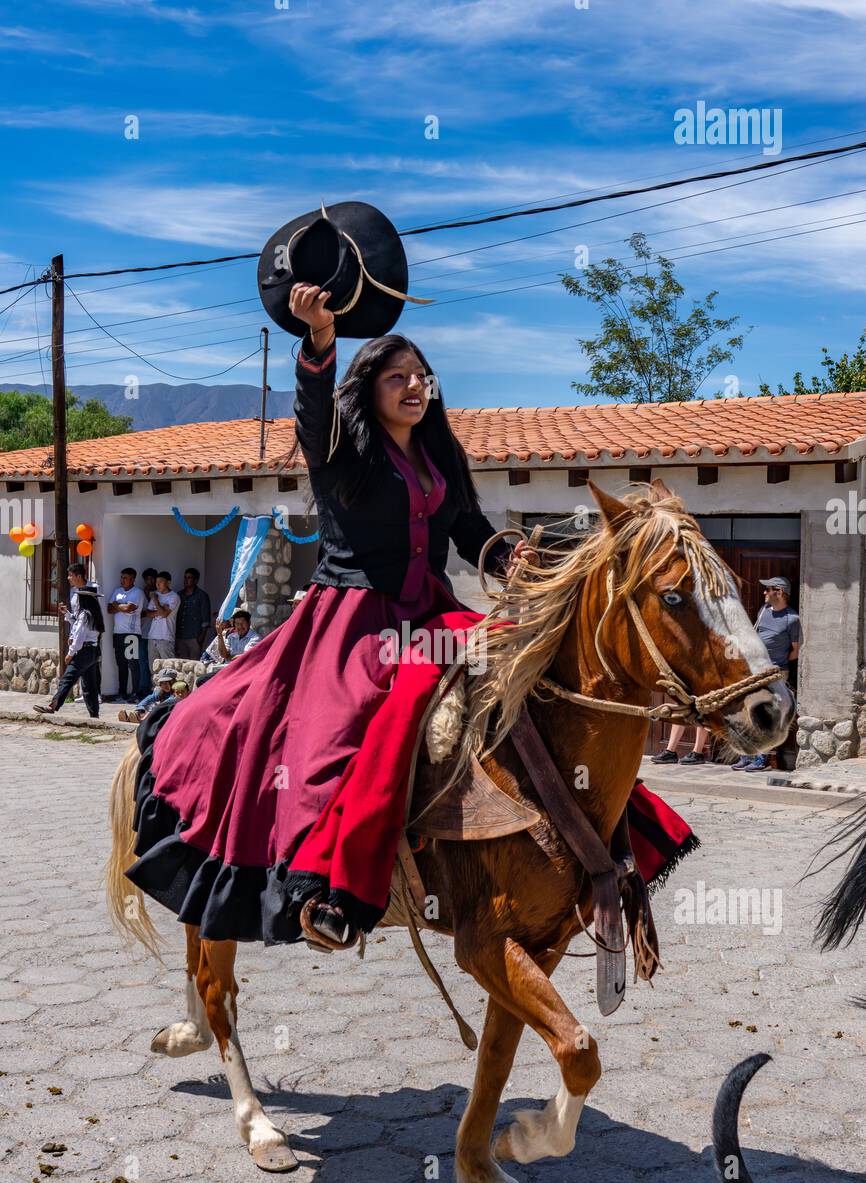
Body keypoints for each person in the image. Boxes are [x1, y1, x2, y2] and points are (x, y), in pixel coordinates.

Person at [127, 280, 695, 956]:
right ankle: (337, 887)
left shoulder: (438, 458)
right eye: (397, 377)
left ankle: (615, 844)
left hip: (428, 613)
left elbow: (469, 530)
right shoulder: (344, 455)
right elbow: (313, 415)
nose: (413, 386)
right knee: (376, 726)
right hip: (356, 626)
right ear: (370, 390)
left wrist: (515, 558)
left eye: (421, 376)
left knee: (536, 672)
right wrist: (319, 341)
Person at [733, 576, 801, 772]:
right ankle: (747, 755)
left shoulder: (792, 619)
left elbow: (795, 651)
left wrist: (776, 664)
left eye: (768, 589)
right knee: (748, 712)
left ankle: (762, 759)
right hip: (754, 670)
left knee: (767, 715)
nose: (764, 592)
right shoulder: (764, 611)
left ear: (779, 592)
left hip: (775, 673)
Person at [34, 588, 104, 719]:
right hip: (92, 652)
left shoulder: (85, 615)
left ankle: (53, 705)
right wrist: (67, 613)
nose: (77, 601)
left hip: (83, 652)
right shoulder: (93, 613)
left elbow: (79, 636)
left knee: (67, 679)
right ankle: (94, 714)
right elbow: (78, 625)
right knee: (90, 685)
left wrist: (70, 653)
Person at [106, 567, 144, 703]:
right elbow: (109, 609)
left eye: (126, 577)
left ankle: (135, 693)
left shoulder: (138, 592)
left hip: (132, 634)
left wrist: (116, 604)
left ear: (133, 579)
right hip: (118, 634)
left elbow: (129, 609)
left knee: (132, 664)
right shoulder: (117, 591)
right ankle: (122, 693)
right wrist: (119, 606)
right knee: (121, 664)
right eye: (121, 577)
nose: (122, 580)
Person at [175, 568, 211, 660]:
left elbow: (206, 620)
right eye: (185, 577)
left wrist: (200, 638)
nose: (186, 580)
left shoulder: (202, 596)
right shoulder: (179, 595)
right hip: (179, 636)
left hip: (194, 637)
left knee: (193, 666)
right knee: (181, 666)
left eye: (189, 578)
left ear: (195, 580)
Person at [145, 572, 180, 661]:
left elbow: (164, 614)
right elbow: (147, 613)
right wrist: (161, 610)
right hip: (152, 637)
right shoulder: (155, 594)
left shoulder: (174, 597)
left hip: (165, 637)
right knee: (153, 670)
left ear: (168, 583)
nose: (158, 584)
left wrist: (155, 600)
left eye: (161, 581)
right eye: (157, 582)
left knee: (168, 668)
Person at [137, 568, 157, 699]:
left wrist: (145, 613)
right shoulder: (141, 593)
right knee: (142, 663)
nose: (149, 581)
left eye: (152, 579)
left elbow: (153, 613)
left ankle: (154, 690)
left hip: (155, 634)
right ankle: (144, 690)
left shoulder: (158, 595)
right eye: (147, 579)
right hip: (142, 633)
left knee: (153, 664)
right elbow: (140, 613)